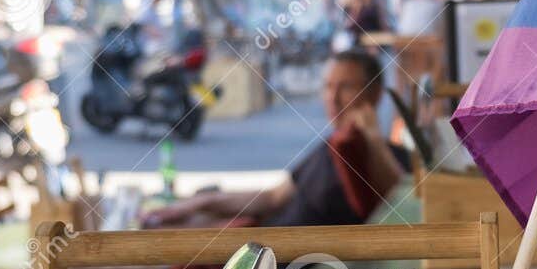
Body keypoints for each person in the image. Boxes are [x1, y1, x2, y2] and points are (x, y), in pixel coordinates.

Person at [141, 49, 408, 231]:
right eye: (328, 86)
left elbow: (403, 206)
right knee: (192, 214)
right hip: (266, 238)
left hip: (286, 268)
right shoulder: (333, 145)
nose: (332, 97)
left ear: (374, 95)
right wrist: (202, 203)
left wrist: (373, 137)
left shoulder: (384, 156)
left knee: (186, 234)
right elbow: (273, 197)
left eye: (346, 87)